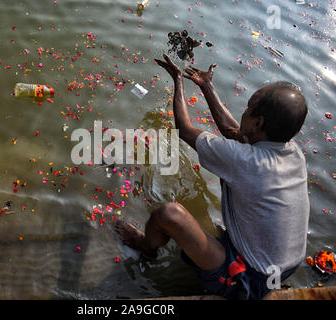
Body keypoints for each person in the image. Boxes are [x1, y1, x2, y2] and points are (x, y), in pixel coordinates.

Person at [115, 54, 309, 300]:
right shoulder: (292, 151)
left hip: (250, 277)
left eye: (248, 109)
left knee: (168, 214)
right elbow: (234, 132)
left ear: (258, 123)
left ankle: (146, 248)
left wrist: (178, 80)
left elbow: (184, 129)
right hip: (282, 268)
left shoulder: (246, 161)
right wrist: (207, 87)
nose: (244, 111)